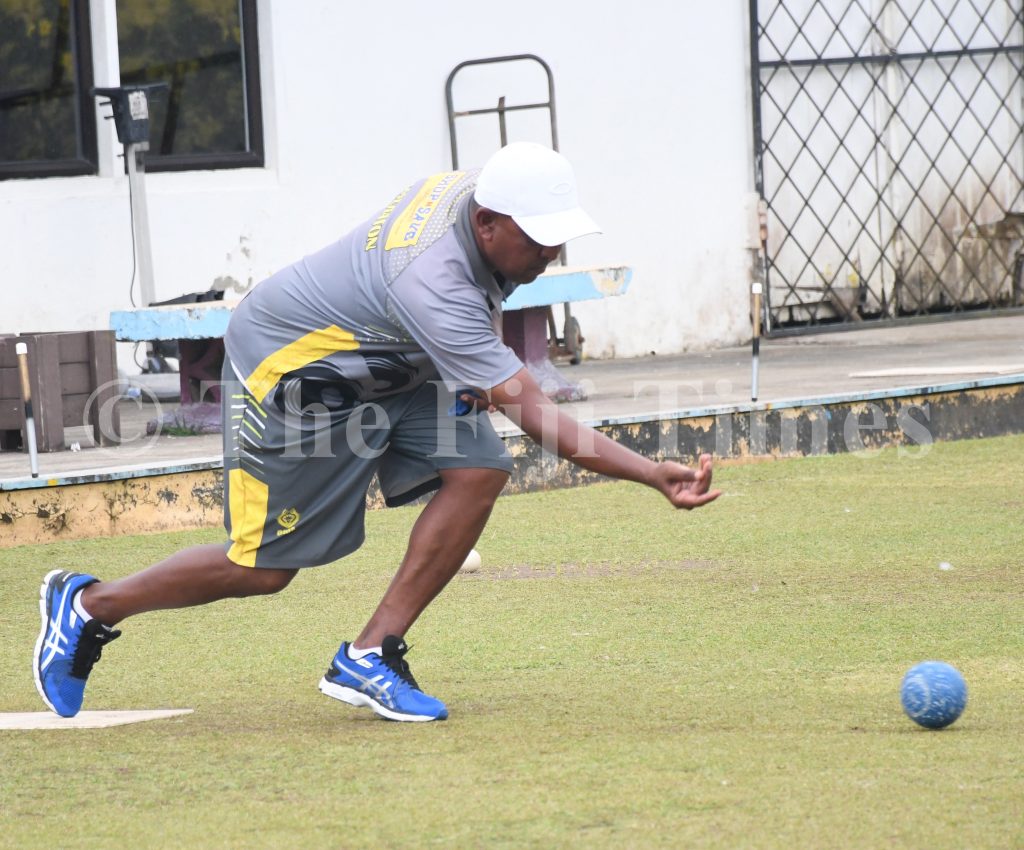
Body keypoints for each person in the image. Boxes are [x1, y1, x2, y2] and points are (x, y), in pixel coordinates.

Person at [33, 142, 721, 723]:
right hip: (294, 373)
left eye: (558, 233)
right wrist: (651, 472)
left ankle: (369, 654)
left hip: (385, 363)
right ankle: (89, 605)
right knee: (263, 568)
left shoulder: (468, 199)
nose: (553, 250)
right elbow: (540, 418)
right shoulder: (436, 282)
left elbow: (462, 330)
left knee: (478, 467)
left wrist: (463, 366)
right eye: (539, 238)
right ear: (486, 224)